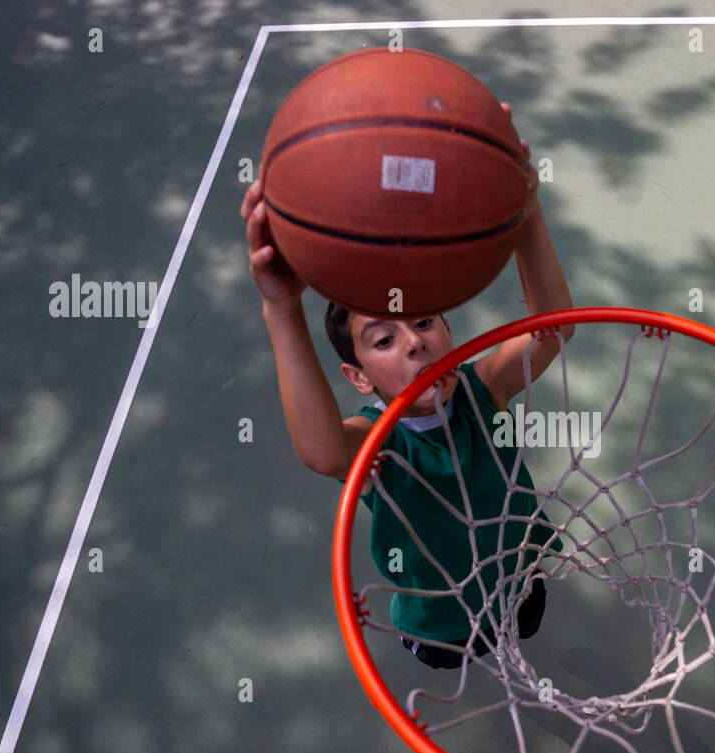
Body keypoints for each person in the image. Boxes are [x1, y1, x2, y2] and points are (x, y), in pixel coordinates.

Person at [242, 104, 574, 668]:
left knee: (522, 633)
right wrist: (282, 309)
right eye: (383, 340)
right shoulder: (378, 444)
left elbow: (554, 330)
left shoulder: (483, 389)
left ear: (449, 331)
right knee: (468, 663)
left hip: (520, 578)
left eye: (423, 322)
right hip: (443, 622)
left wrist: (529, 219)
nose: (414, 342)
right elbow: (323, 453)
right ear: (358, 377)